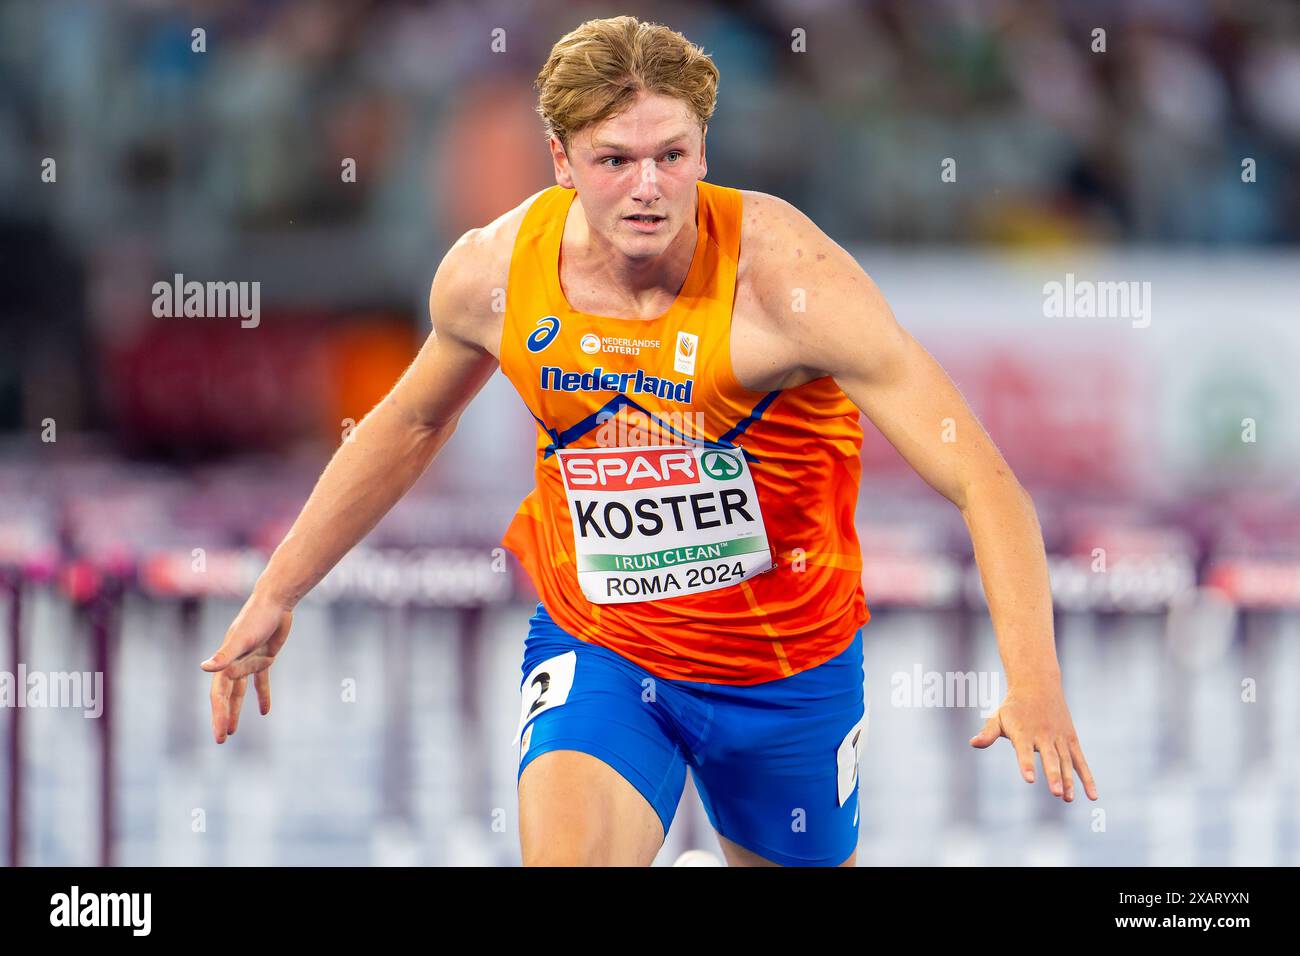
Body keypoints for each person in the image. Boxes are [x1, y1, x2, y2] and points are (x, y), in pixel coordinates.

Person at [202, 15, 1098, 867]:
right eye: (615, 160)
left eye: (672, 156)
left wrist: (1035, 680)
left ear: (704, 151)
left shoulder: (789, 280)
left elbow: (986, 483)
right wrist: (279, 590)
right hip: (604, 645)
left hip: (784, 670)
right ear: (561, 160)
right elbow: (410, 421)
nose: (647, 187)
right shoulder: (494, 275)